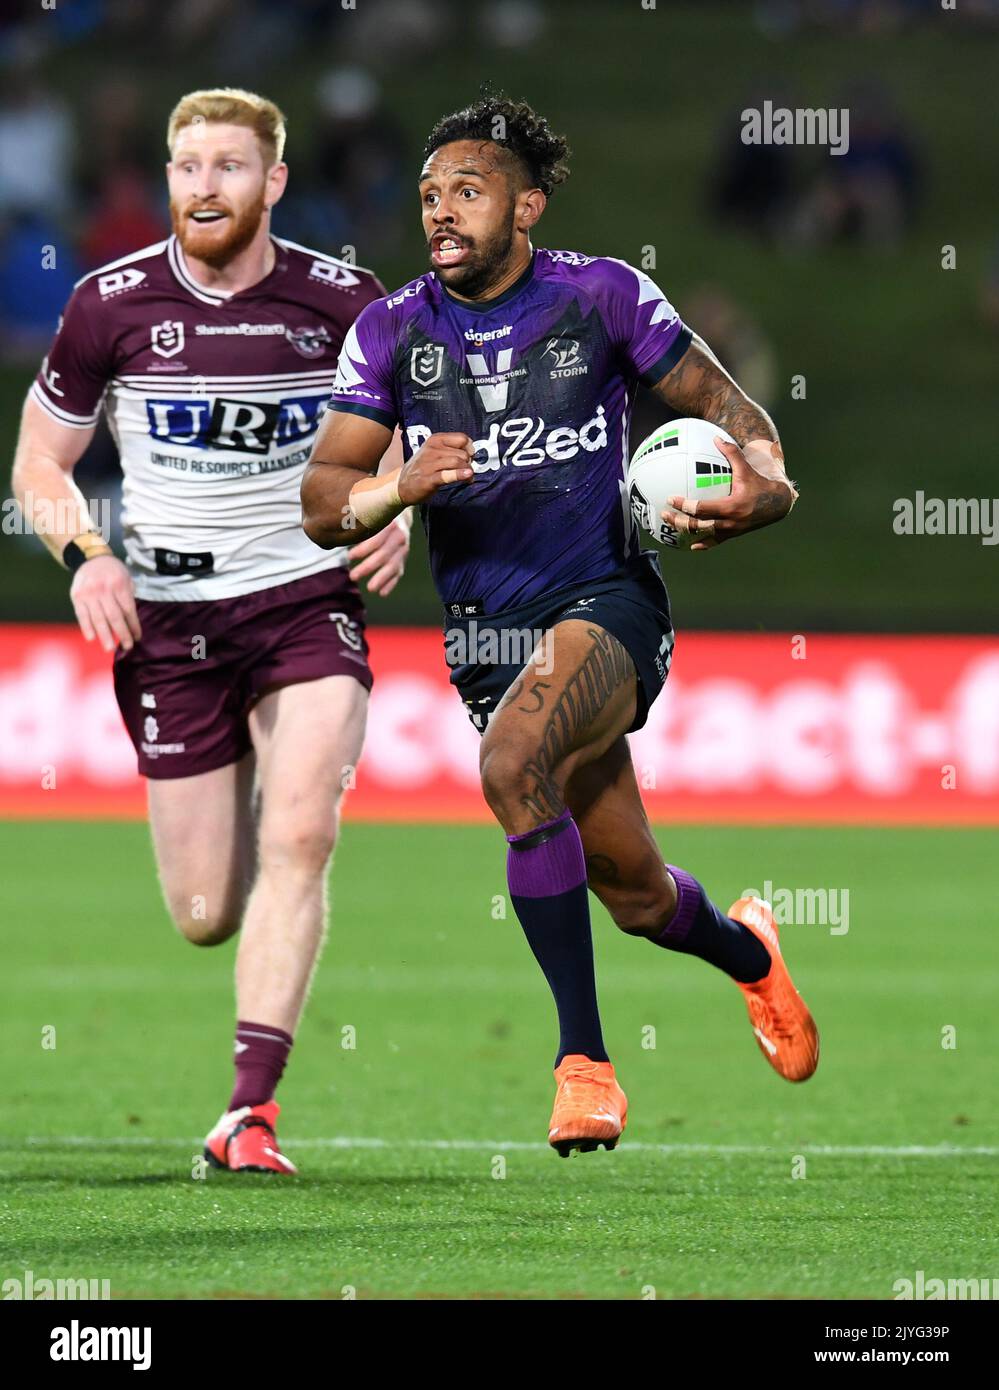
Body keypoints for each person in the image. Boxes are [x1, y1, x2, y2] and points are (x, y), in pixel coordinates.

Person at [301, 94, 818, 1157]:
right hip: (488, 637)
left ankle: (584, 1064)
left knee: (512, 761)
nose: (441, 212)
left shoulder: (601, 296)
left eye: (471, 191)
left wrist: (769, 485)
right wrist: (395, 486)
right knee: (634, 893)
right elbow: (321, 500)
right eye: (431, 194)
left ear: (527, 204)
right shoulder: (393, 331)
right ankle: (751, 955)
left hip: (610, 603)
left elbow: (732, 416)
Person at [12, 87, 409, 1174]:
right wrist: (86, 557)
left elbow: (393, 443)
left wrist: (394, 514)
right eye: (188, 166)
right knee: (201, 911)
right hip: (170, 624)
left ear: (274, 182)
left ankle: (249, 1111)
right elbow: (38, 465)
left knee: (303, 836)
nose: (204, 185)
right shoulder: (111, 304)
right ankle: (235, 786)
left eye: (230, 166)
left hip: (301, 604)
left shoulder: (343, 301)